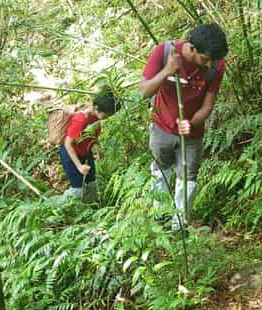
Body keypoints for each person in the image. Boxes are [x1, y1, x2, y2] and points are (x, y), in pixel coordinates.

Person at [138, 23, 228, 229]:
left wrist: (192, 122)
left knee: (188, 178)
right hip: (162, 126)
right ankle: (160, 218)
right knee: (160, 171)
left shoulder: (215, 65)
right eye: (204, 59)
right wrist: (167, 71)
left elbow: (208, 103)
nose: (208, 65)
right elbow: (143, 91)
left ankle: (179, 224)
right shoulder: (165, 52)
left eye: (212, 61)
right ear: (192, 47)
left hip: (192, 132)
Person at [59, 91, 119, 202]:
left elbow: (91, 135)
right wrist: (79, 166)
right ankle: (58, 208)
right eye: (106, 115)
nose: (106, 117)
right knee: (77, 190)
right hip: (70, 154)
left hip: (85, 153)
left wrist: (98, 148)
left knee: (91, 185)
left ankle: (88, 210)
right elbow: (68, 144)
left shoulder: (96, 117)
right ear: (96, 108)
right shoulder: (80, 119)